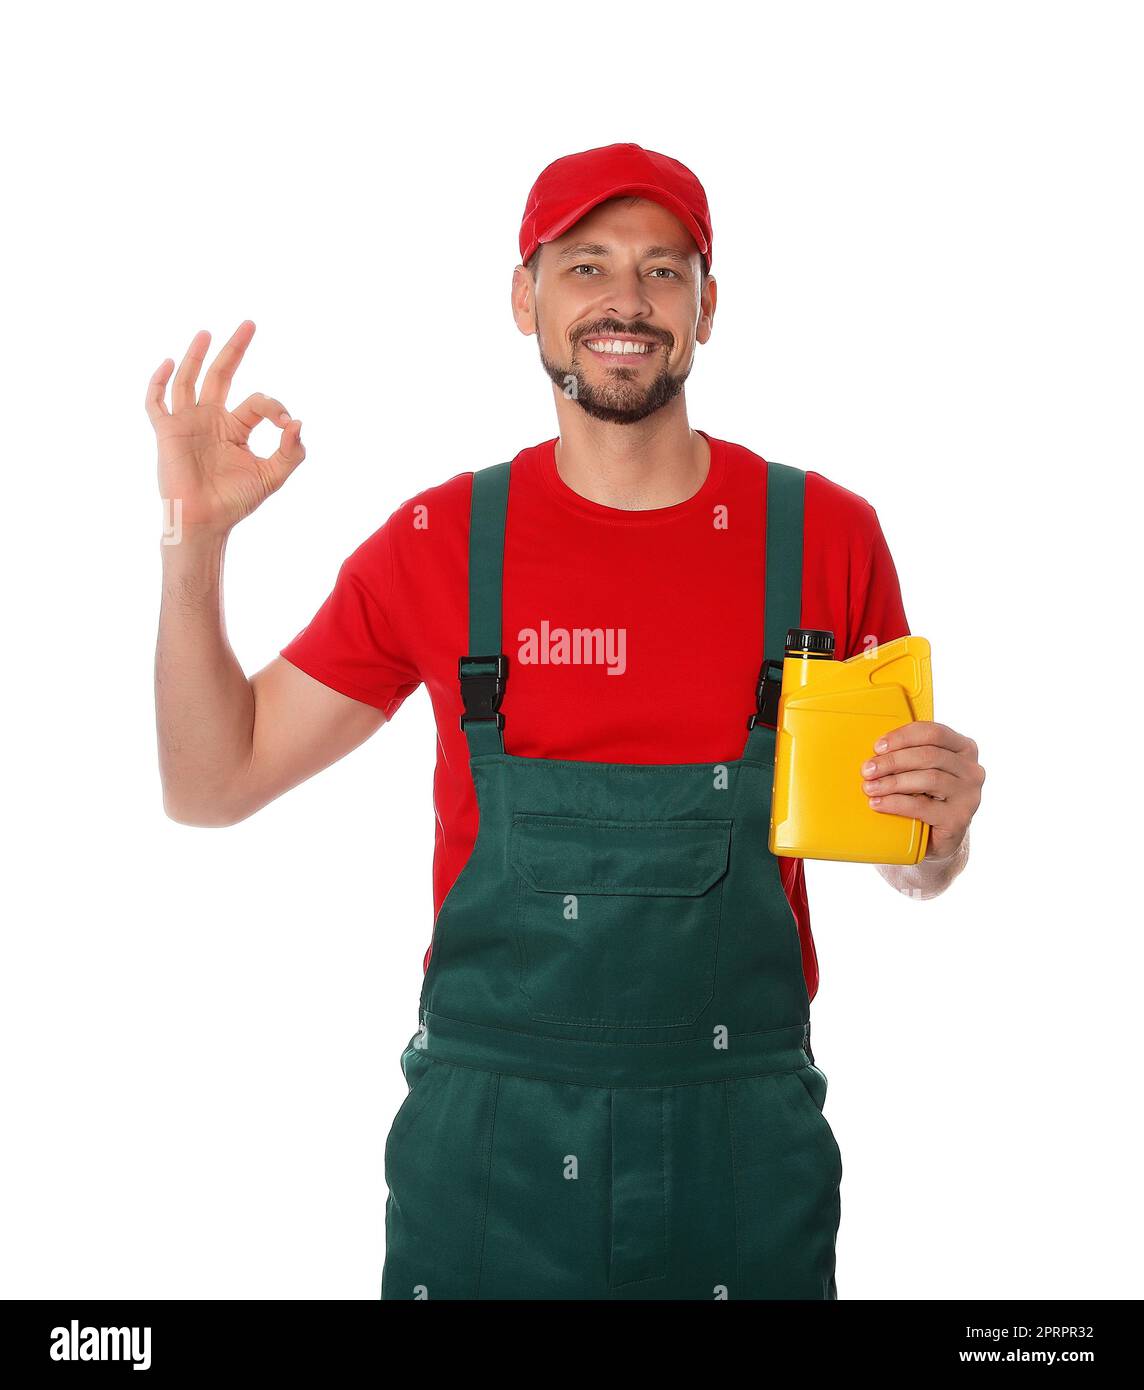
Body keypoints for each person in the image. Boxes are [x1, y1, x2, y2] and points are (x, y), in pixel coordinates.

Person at [148, 143, 984, 1300]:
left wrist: (941, 833)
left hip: (739, 1149)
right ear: (523, 296)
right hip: (486, 1153)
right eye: (585, 267)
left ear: (706, 303)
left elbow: (911, 865)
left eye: (660, 270)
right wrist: (197, 540)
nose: (624, 303)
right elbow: (210, 781)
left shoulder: (824, 538)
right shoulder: (439, 543)